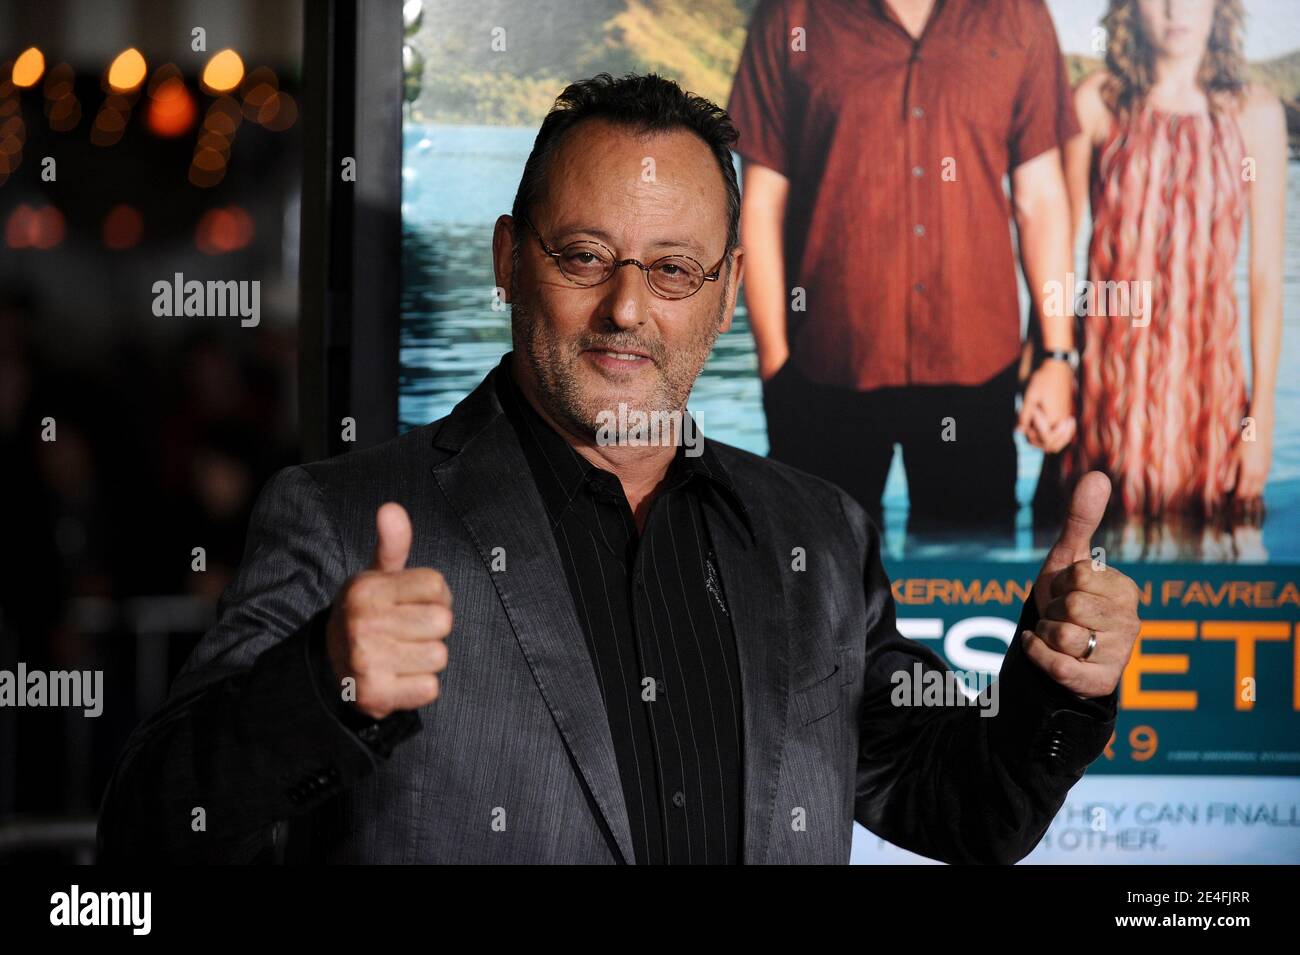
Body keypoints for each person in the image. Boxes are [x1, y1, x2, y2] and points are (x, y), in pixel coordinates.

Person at [98, 74, 1140, 865]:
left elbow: (952, 802)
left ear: (727, 293)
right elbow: (145, 838)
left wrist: (1055, 683)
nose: (628, 310)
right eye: (584, 257)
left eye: (674, 270)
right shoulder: (337, 516)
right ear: (510, 258)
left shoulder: (816, 532)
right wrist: (321, 685)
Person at [727, 0, 1081, 539]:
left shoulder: (1016, 16)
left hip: (977, 371)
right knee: (817, 592)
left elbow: (1042, 199)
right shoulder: (791, 17)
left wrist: (1056, 354)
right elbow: (761, 203)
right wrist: (775, 369)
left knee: (972, 580)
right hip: (826, 371)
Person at [1045, 0, 1285, 534]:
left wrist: (1259, 422)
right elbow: (1056, 250)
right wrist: (1046, 360)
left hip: (1207, 389)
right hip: (1106, 381)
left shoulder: (1255, 115)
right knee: (1086, 545)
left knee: (1203, 544)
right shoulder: (1098, 103)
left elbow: (1268, 281)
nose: (1175, 8)